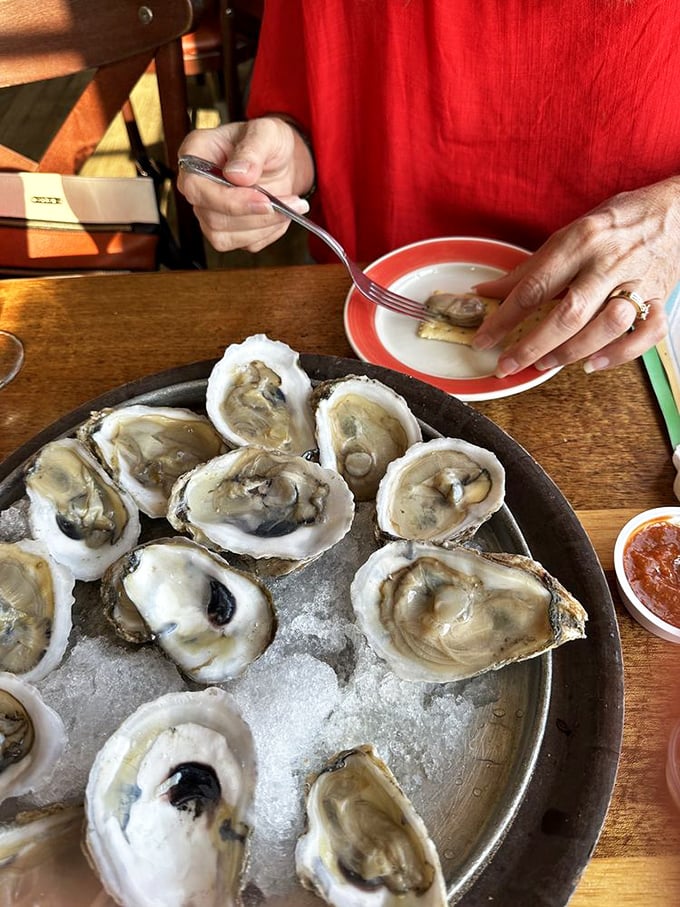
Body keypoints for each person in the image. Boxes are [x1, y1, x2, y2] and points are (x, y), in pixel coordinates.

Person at [178, 0, 679, 378]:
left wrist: (672, 220)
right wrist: (288, 152)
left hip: (620, 313)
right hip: (362, 300)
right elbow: (313, 82)